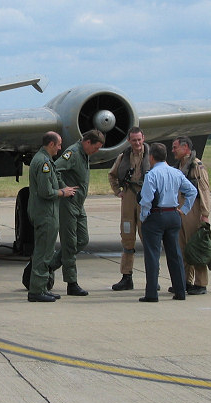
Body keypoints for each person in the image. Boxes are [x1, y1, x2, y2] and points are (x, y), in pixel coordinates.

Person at [138, 143, 197, 302]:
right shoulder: (176, 172)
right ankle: (180, 290)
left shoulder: (152, 175)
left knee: (152, 255)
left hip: (156, 215)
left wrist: (144, 217)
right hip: (173, 214)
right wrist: (184, 209)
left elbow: (147, 200)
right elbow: (192, 191)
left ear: (151, 157)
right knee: (175, 254)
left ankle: (151, 293)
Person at [49, 130, 105, 296]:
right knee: (70, 243)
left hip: (78, 205)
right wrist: (62, 187)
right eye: (95, 148)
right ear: (87, 142)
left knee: (82, 239)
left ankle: (48, 265)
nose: (95, 152)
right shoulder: (72, 153)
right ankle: (71, 283)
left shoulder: (84, 154)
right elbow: (54, 169)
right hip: (68, 204)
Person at [25, 132, 77, 302]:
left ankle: (41, 287)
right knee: (43, 253)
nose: (60, 148)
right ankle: (37, 290)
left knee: (46, 251)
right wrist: (63, 192)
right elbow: (46, 192)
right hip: (45, 214)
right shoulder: (44, 163)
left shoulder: (44, 160)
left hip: (47, 212)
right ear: (52, 144)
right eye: (59, 144)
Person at [107, 127, 151, 290]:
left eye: (139, 139)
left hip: (146, 199)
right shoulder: (123, 157)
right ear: (129, 141)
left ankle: (152, 277)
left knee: (148, 238)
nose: (137, 143)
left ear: (143, 138)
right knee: (127, 237)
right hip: (128, 198)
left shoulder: (152, 157)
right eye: (134, 140)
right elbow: (112, 175)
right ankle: (127, 276)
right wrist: (118, 191)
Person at [171, 136, 211, 295]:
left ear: (185, 147)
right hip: (180, 209)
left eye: (175, 147)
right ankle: (185, 281)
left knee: (196, 246)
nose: (172, 150)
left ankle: (201, 283)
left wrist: (205, 214)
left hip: (194, 210)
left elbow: (204, 190)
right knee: (181, 248)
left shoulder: (196, 166)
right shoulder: (178, 166)